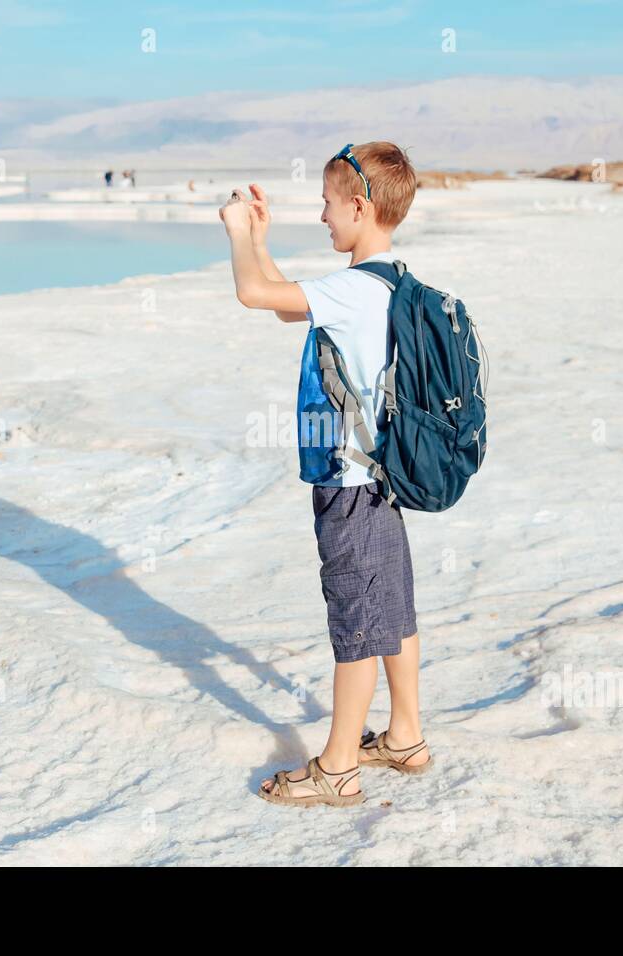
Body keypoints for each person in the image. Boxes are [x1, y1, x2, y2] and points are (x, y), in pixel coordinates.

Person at [219, 142, 430, 808]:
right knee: (391, 608)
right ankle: (405, 734)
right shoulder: (389, 281)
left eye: (329, 204)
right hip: (382, 476)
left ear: (360, 206)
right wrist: (259, 237)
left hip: (348, 481)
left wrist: (234, 235)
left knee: (357, 623)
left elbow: (254, 294)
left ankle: (339, 767)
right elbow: (286, 304)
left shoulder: (350, 289)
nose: (322, 216)